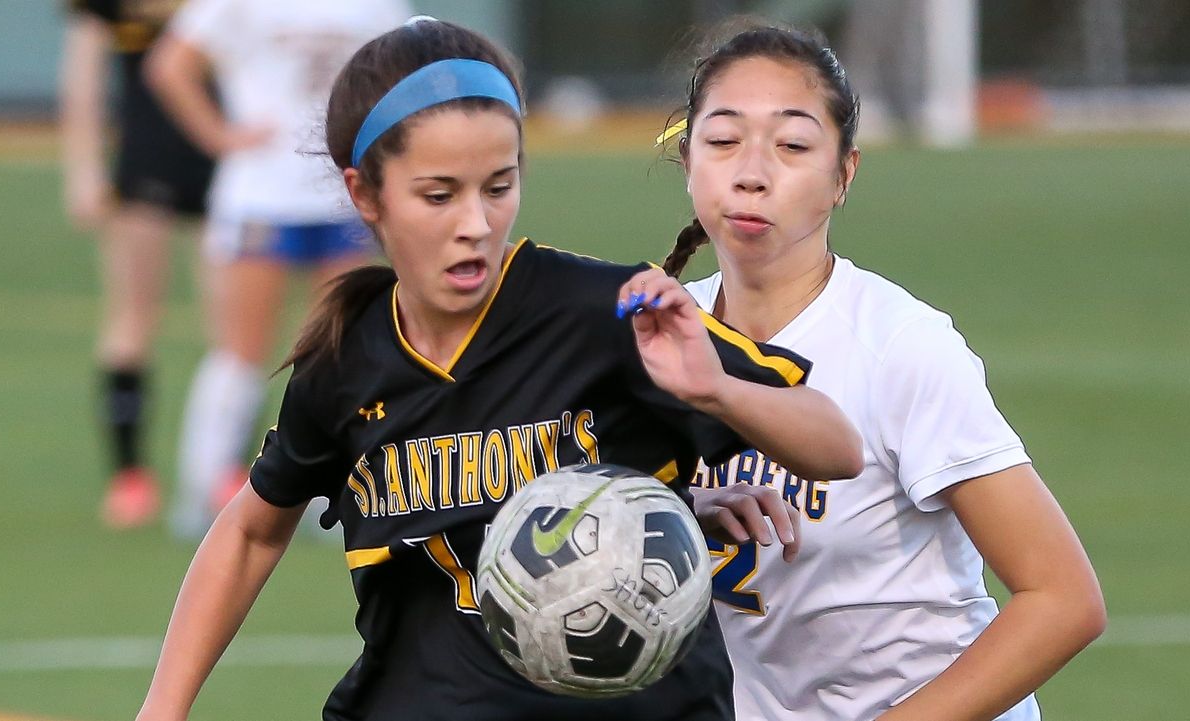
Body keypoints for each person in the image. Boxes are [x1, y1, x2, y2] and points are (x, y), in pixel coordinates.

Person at [136, 17, 864, 721]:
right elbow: (251, 533)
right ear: (365, 195)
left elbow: (836, 446)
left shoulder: (603, 313)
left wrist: (717, 389)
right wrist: (163, 707)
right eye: (439, 194)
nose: (476, 223)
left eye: (498, 185)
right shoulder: (345, 361)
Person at [660, 24, 1107, 721]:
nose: (752, 172)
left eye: (793, 145)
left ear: (843, 175)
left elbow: (1065, 599)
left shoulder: (899, 346)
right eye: (723, 141)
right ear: (687, 159)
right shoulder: (661, 339)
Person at [143, 0, 411, 538]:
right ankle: (202, 492)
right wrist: (220, 136)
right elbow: (170, 65)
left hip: (341, 192)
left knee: (338, 345)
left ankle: (333, 490)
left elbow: (407, 71)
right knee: (243, 350)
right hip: (260, 195)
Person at [59, 0, 216, 529]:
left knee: (234, 335)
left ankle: (230, 469)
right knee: (131, 319)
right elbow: (81, 86)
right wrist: (83, 169)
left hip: (220, 163)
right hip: (142, 169)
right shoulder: (102, 8)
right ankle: (129, 477)